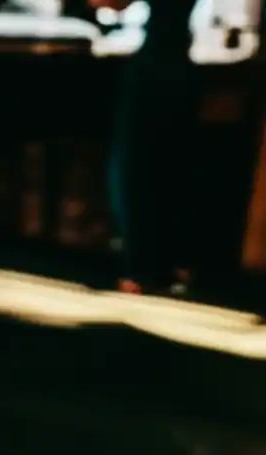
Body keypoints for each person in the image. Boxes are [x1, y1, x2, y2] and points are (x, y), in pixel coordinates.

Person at [96, 0, 201, 294]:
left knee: (135, 168)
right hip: (182, 65)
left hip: (155, 65)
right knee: (172, 168)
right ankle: (169, 264)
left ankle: (138, 268)